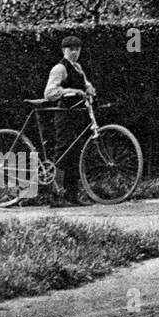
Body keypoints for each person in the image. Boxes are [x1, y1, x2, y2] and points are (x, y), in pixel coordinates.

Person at [43, 35, 96, 201]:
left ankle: (72, 195)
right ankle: (55, 195)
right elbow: (50, 93)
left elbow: (84, 83)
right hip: (64, 113)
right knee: (63, 150)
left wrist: (89, 89)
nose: (74, 52)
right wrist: (71, 91)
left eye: (77, 49)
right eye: (71, 49)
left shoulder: (78, 67)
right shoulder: (60, 68)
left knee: (76, 152)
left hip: (76, 114)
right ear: (63, 50)